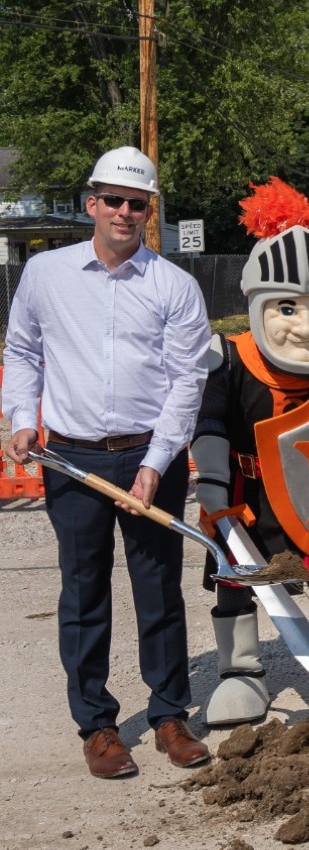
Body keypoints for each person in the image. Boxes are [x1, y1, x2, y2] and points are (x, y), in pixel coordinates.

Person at [2, 146, 212, 777]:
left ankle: (170, 715)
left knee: (159, 590)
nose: (124, 212)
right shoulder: (45, 275)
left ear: (149, 211)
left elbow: (186, 382)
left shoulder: (174, 285)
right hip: (70, 460)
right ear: (91, 203)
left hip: (152, 456)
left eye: (137, 203)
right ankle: (96, 725)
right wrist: (20, 421)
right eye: (114, 200)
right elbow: (22, 352)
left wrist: (153, 464)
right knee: (84, 591)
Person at [192, 179, 309, 724]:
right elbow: (208, 422)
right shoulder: (228, 357)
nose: (305, 325)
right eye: (287, 308)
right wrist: (208, 476)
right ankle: (241, 672)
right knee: (237, 577)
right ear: (258, 304)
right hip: (242, 490)